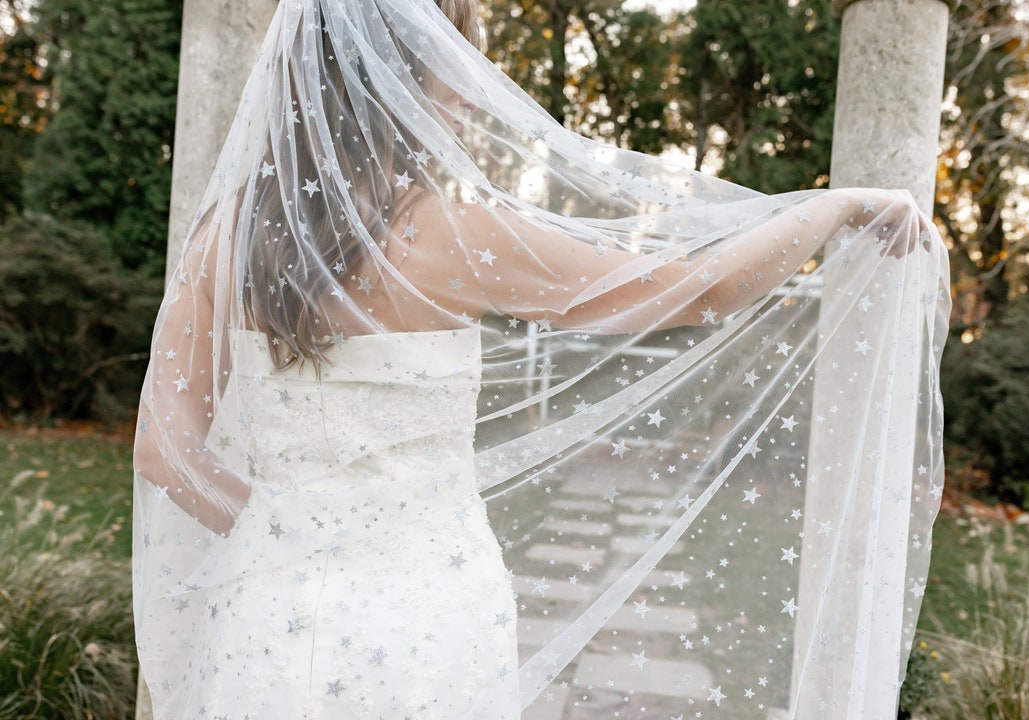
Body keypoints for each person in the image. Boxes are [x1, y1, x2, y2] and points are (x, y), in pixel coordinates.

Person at [132, 0, 951, 718]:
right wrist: (837, 209)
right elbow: (694, 289)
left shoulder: (224, 237)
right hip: (424, 619)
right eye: (456, 54)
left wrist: (282, 531)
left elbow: (165, 447)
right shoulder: (453, 237)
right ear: (401, 74)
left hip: (267, 616)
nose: (471, 82)